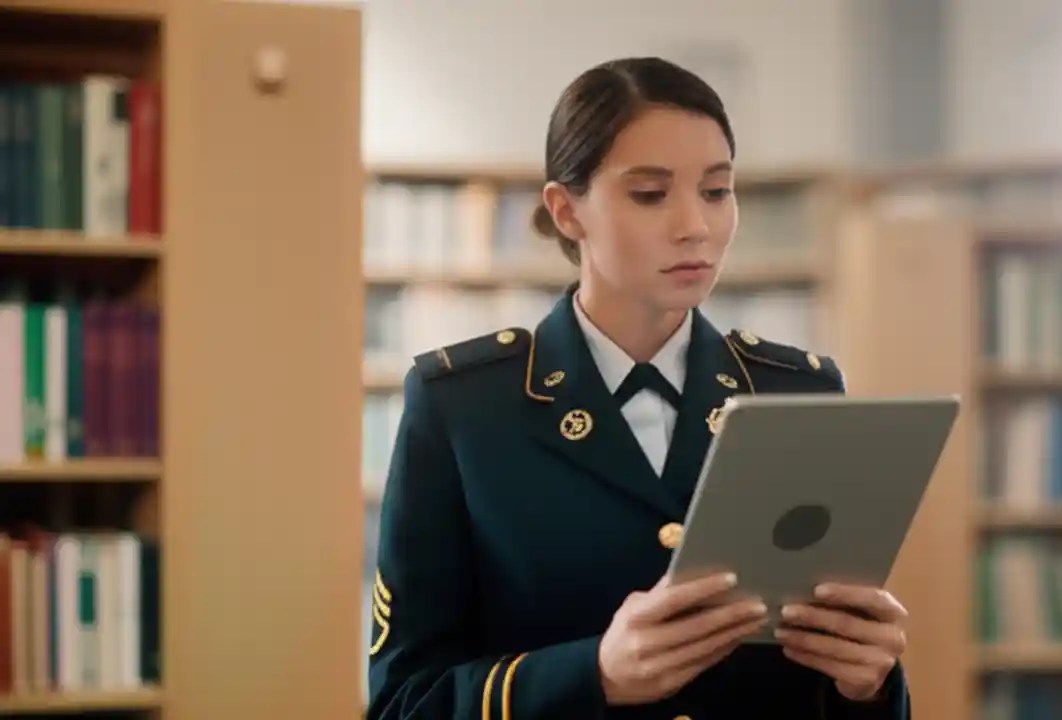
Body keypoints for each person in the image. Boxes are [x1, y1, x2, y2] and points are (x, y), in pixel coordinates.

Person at [366, 56, 911, 720]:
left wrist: (870, 687)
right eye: (650, 194)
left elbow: (825, 681)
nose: (695, 226)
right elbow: (403, 703)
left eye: (716, 191)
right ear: (566, 211)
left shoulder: (799, 395)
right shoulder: (464, 408)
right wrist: (592, 674)